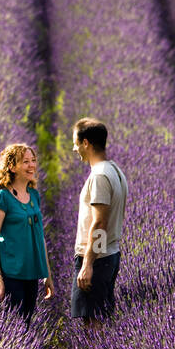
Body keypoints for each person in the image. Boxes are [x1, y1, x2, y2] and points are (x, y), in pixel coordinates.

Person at [0, 142, 53, 322]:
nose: (31, 165)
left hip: (31, 273)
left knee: (26, 325)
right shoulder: (0, 198)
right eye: (25, 162)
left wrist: (47, 275)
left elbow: (40, 238)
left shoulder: (34, 196)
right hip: (10, 274)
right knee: (13, 325)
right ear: (12, 167)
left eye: (33, 161)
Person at [70, 118, 127, 325]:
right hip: (109, 255)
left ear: (86, 143)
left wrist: (88, 264)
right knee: (99, 321)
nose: (74, 148)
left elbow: (100, 222)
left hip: (98, 258)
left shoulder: (99, 176)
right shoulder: (115, 171)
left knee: (93, 326)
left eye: (76, 143)